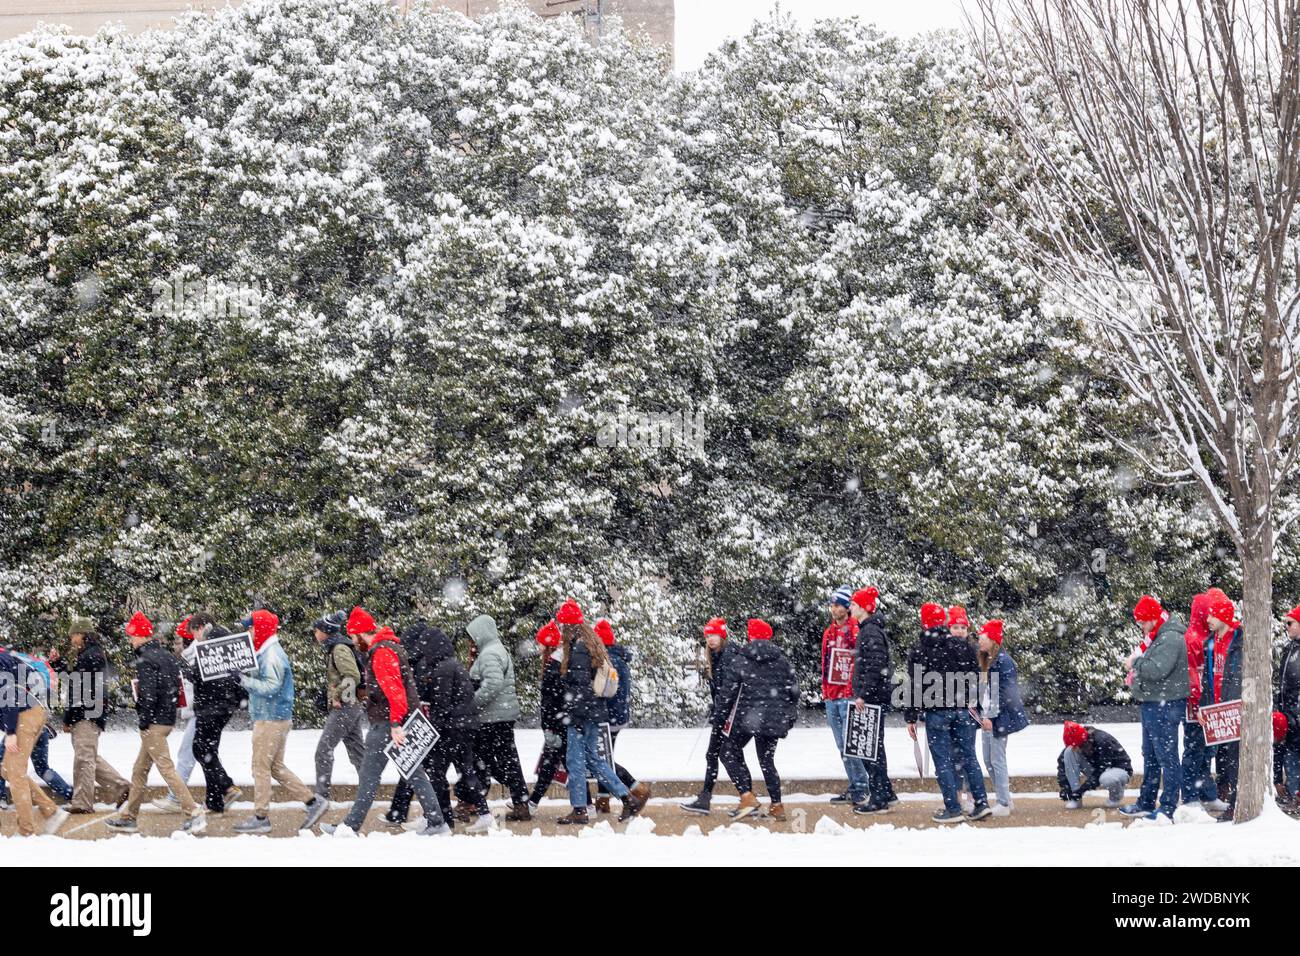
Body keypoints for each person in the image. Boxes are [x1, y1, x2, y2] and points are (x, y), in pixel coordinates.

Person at [322, 607, 449, 836]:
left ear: (361, 633)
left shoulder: (381, 652)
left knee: (370, 777)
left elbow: (395, 692)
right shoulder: (388, 648)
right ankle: (437, 821)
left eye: (353, 636)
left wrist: (395, 725)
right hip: (397, 721)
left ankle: (350, 826)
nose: (353, 641)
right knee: (414, 773)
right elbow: (390, 689)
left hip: (388, 725)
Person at [387, 624, 493, 833]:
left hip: (451, 729)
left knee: (437, 773)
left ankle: (440, 818)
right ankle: (483, 813)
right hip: (464, 726)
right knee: (465, 771)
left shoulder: (443, 669)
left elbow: (442, 705)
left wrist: (429, 729)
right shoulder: (453, 664)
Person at [105, 613, 205, 834]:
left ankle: (193, 812)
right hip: (166, 719)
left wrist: (144, 721)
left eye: (132, 636)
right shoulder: (166, 656)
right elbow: (173, 688)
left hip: (154, 724)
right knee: (140, 769)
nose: (130, 640)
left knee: (166, 769)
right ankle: (129, 816)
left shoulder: (146, 659)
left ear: (141, 636)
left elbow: (148, 694)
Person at [234, 608, 326, 833]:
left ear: (262, 629)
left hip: (270, 718)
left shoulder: (271, 654)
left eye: (251, 627)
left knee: (260, 767)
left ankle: (261, 817)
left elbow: (271, 686)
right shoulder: (266, 651)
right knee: (275, 767)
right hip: (276, 717)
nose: (249, 631)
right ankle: (313, 802)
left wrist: (243, 680)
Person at [902, 602, 992, 823]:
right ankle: (981, 803)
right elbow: (974, 679)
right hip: (963, 709)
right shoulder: (962, 646)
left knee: (943, 761)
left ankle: (953, 808)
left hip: (937, 712)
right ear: (943, 622)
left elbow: (915, 686)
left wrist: (911, 717)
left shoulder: (920, 650)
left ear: (924, 623)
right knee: (970, 757)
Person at [555, 600, 642, 825]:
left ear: (568, 626)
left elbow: (581, 687)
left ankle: (579, 809)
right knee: (594, 760)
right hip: (595, 713)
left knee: (575, 761)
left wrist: (577, 719)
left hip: (583, 716)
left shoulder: (579, 649)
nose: (561, 630)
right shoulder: (590, 643)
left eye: (562, 625)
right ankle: (627, 798)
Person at [715, 618, 799, 820]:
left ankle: (747, 795)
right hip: (773, 720)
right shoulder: (782, 661)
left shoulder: (742, 658)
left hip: (748, 719)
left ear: (750, 636)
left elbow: (728, 693)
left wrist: (719, 715)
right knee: (767, 761)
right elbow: (793, 692)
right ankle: (777, 806)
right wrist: (787, 716)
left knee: (727, 752)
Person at [1120, 595, 1189, 822]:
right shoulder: (1157, 636)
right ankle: (1147, 801)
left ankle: (1168, 806)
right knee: (1150, 755)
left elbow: (1158, 669)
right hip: (1155, 703)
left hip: (1165, 705)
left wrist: (1135, 663)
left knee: (1166, 756)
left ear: (1152, 618)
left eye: (1142, 621)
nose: (1140, 626)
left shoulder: (1169, 638)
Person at [57, 620, 129, 813]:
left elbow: (78, 689)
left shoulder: (90, 656)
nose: (72, 639)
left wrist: (68, 718)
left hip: (86, 714)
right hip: (90, 712)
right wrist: (59, 665)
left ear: (83, 635)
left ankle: (82, 803)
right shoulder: (91, 654)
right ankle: (121, 787)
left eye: (74, 635)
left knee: (84, 759)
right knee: (89, 757)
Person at [466, 613, 531, 821]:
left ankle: (474, 802)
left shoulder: (489, 654)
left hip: (493, 718)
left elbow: (492, 684)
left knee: (484, 759)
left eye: (473, 636)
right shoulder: (496, 650)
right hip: (500, 716)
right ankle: (519, 803)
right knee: (505, 759)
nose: (471, 641)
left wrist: (472, 703)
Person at [0, 646, 68, 836]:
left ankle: (26, 831)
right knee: (7, 769)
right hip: (28, 714)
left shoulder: (1, 660)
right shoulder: (5, 658)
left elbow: (9, 695)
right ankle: (51, 810)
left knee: (15, 774)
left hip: (24, 717)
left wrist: (11, 731)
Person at [182, 615, 245, 813]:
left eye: (194, 634)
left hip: (210, 706)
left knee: (201, 749)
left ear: (200, 628)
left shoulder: (211, 644)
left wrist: (184, 668)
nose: (195, 639)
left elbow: (198, 675)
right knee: (209, 750)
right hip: (224, 706)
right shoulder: (225, 640)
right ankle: (214, 800)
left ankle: (226, 786)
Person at [591, 618, 651, 814]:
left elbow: (603, 692)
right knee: (605, 757)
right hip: (617, 717)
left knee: (602, 760)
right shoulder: (619, 658)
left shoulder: (607, 661)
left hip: (607, 718)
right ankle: (603, 799)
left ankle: (636, 788)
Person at [681, 617, 740, 814]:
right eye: (707, 636)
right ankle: (706, 798)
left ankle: (746, 797)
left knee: (723, 756)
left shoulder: (729, 655)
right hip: (723, 714)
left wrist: (720, 710)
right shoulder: (716, 656)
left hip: (729, 716)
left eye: (714, 635)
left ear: (722, 635)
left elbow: (730, 689)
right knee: (717, 755)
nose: (710, 639)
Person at [849, 587, 897, 814]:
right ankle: (885, 792)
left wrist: (863, 695)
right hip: (871, 697)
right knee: (870, 748)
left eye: (854, 605)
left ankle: (879, 798)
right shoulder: (868, 630)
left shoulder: (871, 632)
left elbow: (876, 667)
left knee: (870, 749)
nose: (851, 608)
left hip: (871, 699)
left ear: (864, 608)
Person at [1180, 590, 1229, 810]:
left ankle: (1206, 794)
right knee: (1194, 750)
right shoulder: (1192, 640)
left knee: (1207, 750)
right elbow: (1193, 676)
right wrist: (1196, 704)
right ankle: (1190, 796)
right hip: (1196, 707)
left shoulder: (1208, 638)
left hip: (1207, 704)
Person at [311, 609, 366, 802]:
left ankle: (321, 796)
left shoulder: (339, 649)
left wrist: (336, 695)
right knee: (358, 752)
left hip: (344, 707)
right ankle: (368, 790)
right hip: (352, 706)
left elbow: (352, 676)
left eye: (317, 630)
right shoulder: (338, 647)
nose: (315, 634)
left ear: (325, 632)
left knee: (323, 750)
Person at [975, 620, 1028, 816]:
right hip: (988, 716)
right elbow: (986, 691)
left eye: (984, 637)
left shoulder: (1003, 661)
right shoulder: (987, 659)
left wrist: (991, 716)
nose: (980, 640)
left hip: (998, 718)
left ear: (994, 640)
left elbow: (1004, 693)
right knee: (989, 760)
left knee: (997, 760)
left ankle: (1003, 802)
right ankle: (1005, 798)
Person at [821, 585, 866, 805]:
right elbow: (825, 662)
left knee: (852, 743)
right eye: (832, 604)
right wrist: (826, 692)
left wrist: (855, 690)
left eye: (837, 604)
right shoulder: (829, 631)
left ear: (847, 607)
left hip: (848, 695)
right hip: (832, 695)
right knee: (842, 745)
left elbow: (859, 661)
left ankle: (862, 786)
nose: (833, 608)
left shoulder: (856, 629)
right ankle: (856, 784)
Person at [1200, 595, 1243, 822]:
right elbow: (1207, 679)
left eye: (1212, 615)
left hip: (1234, 709)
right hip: (1217, 712)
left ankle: (1237, 803)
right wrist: (1202, 707)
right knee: (1223, 759)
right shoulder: (1210, 642)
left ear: (1223, 616)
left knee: (1236, 759)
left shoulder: (1240, 639)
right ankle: (1228, 800)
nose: (1207, 619)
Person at [153, 617, 200, 812]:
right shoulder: (188, 657)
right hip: (197, 713)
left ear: (187, 641)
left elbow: (198, 687)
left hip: (200, 713)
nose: (175, 645)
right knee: (207, 753)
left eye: (178, 641)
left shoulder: (194, 657)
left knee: (186, 754)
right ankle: (224, 790)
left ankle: (175, 797)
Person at [528, 619, 568, 812]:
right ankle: (532, 802)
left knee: (558, 764)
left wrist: (550, 727)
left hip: (557, 725)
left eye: (541, 643)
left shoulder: (553, 666)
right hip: (559, 724)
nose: (538, 647)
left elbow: (551, 702)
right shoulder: (555, 665)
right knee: (553, 765)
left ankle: (532, 802)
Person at [1058, 722, 1133, 808]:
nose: (1076, 749)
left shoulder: (1103, 740)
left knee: (1107, 778)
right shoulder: (1077, 741)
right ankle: (1076, 800)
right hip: (1097, 769)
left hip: (1118, 770)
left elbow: (1102, 769)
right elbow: (1062, 765)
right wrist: (1066, 787)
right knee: (1068, 752)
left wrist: (1081, 790)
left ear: (1084, 741)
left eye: (1077, 746)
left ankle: (1115, 798)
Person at [1277, 606, 1300, 809]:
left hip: (1297, 710)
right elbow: (1283, 681)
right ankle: (1294, 792)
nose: (1287, 627)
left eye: (1290, 623)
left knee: (1294, 752)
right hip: (1288, 711)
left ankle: (1295, 793)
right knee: (1290, 752)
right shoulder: (1289, 647)